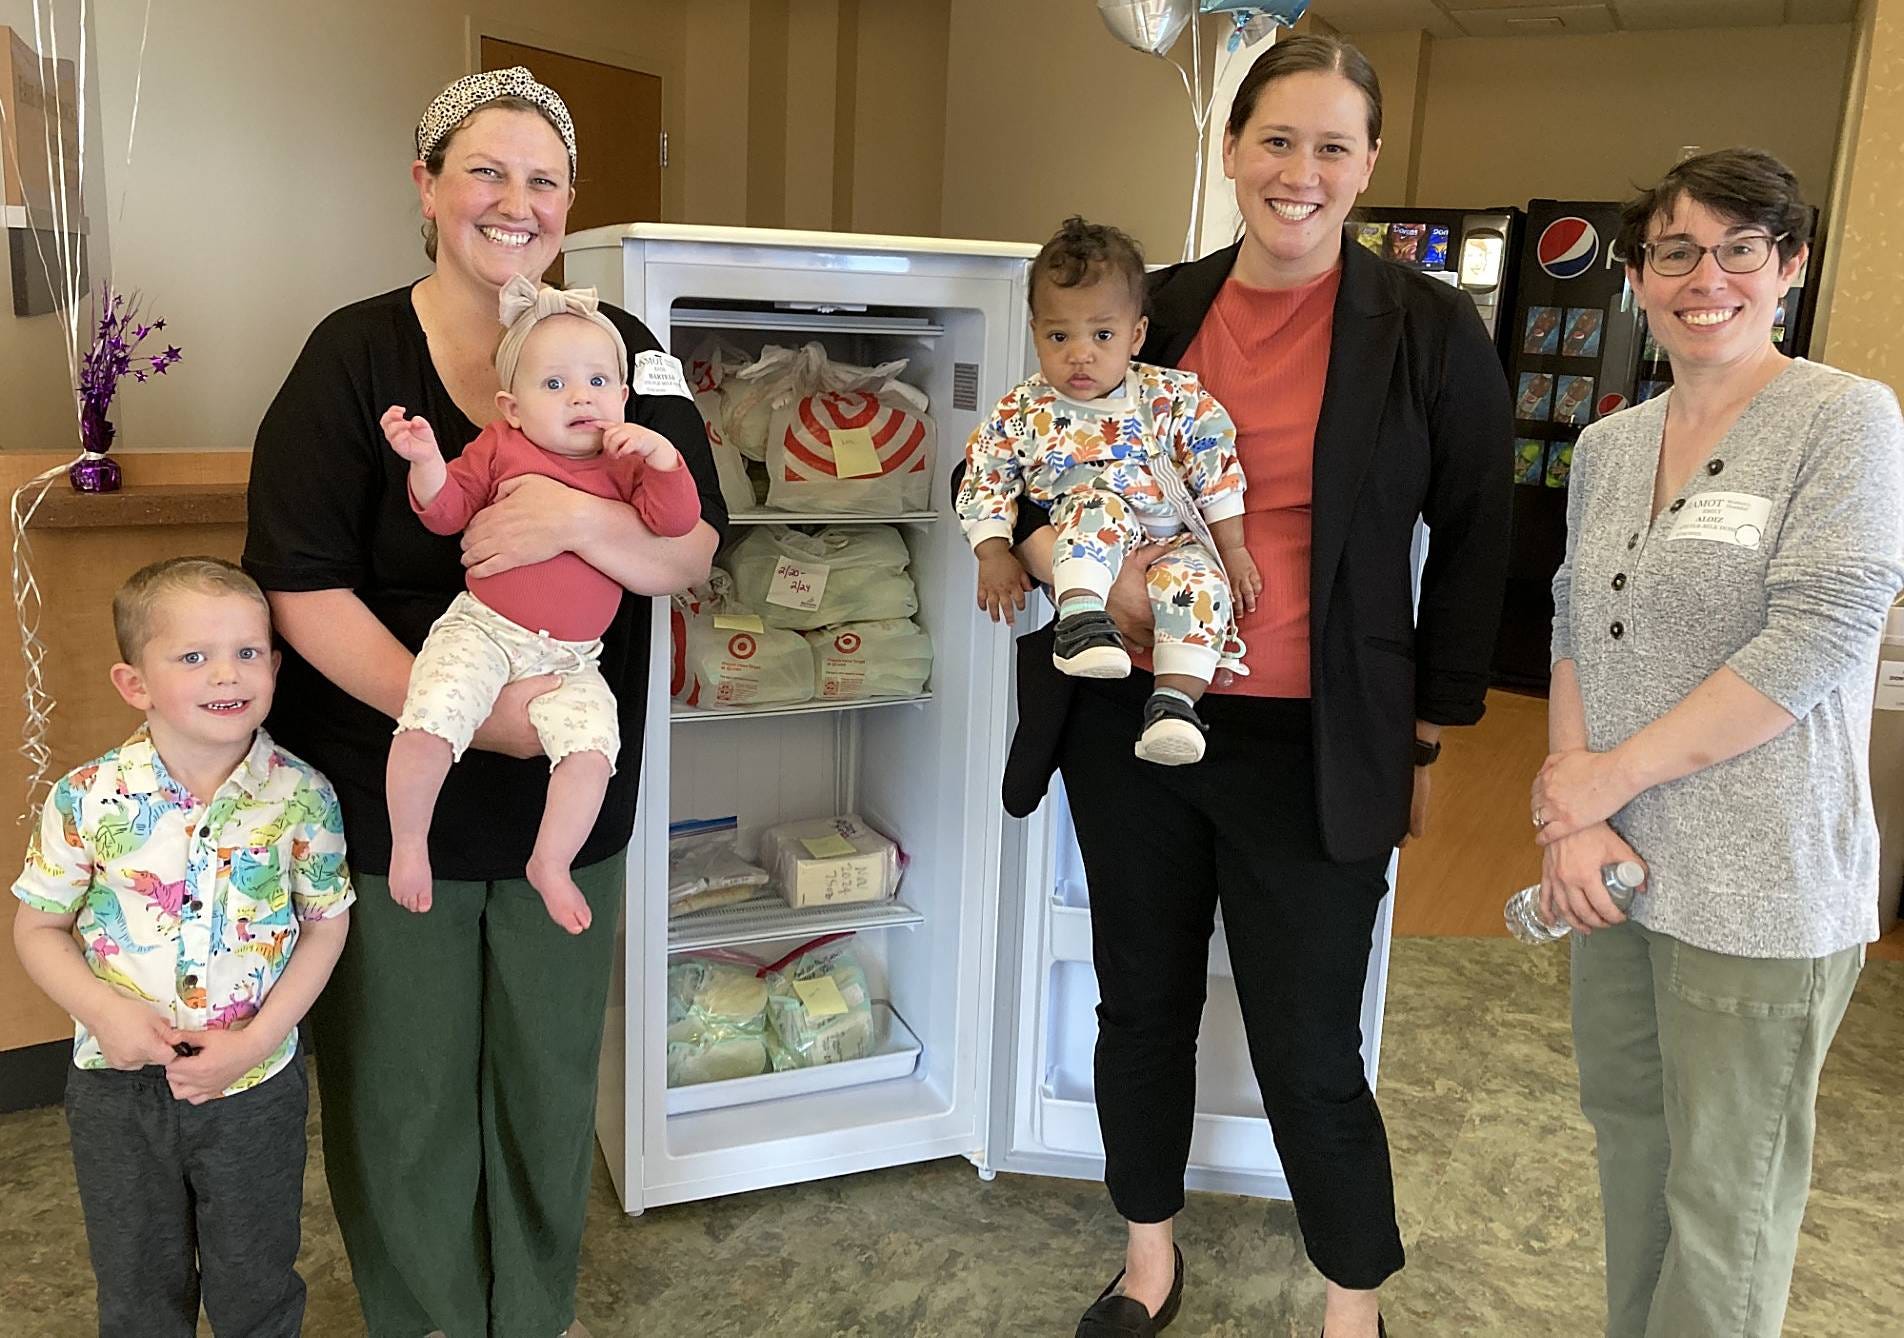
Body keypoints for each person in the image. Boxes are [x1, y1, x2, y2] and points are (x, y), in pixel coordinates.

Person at [987, 35, 1512, 1338]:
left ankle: (1350, 1299)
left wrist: (1429, 746)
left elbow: (1478, 538)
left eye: (1334, 145)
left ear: (1370, 164)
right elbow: (1033, 472)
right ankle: (1148, 1252)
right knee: (1142, 1002)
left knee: (1309, 1037)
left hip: (1317, 742)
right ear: (1231, 151)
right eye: (1277, 139)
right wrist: (1071, 568)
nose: (1301, 170)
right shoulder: (1156, 301)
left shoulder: (1429, 331)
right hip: (1135, 726)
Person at [243, 67, 724, 1338]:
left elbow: (690, 553)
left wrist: (572, 516)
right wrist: (455, 716)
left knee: (545, 1086)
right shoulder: (353, 357)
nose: (515, 203)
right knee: (403, 1101)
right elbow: (300, 582)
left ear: (572, 203)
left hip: (567, 798)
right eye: (485, 174)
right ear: (426, 188)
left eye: (544, 180)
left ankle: (532, 1318)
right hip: (391, 787)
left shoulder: (622, 348)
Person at [1534, 147, 1904, 1338]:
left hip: (1761, 884)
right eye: (1675, 251)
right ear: (1638, 274)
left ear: (1785, 265)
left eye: (1739, 247)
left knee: (1725, 1197)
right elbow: (1575, 629)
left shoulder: (1840, 418)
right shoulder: (1606, 445)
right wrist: (1577, 816)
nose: (1707, 276)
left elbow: (1820, 636)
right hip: (1622, 876)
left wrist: (1606, 779)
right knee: (1633, 1152)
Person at [11, 556, 353, 1338]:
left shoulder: (304, 795)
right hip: (118, 1092)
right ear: (135, 684)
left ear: (275, 664)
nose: (226, 674)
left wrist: (260, 1040)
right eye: (194, 656)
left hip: (253, 1090)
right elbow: (36, 926)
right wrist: (105, 1013)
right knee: (137, 1291)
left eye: (248, 651)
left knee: (257, 1287)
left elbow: (326, 923)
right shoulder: (88, 797)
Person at [381, 276, 699, 934]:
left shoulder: (627, 463)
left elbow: (676, 526)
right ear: (513, 407)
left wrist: (666, 460)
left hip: (573, 658)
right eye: (554, 385)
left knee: (593, 749)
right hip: (485, 632)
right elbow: (445, 514)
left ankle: (550, 863)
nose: (580, 395)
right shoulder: (501, 447)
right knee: (430, 717)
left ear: (624, 395)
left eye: (597, 382)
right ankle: (410, 841)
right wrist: (425, 463)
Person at [958, 216, 1260, 765]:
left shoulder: (1169, 396)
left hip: (1171, 539)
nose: (1080, 354)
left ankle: (1174, 706)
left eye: (1102, 335)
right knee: (1098, 506)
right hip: (1085, 529)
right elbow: (983, 474)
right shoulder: (1023, 410)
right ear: (1035, 333)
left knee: (1200, 585)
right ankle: (1082, 620)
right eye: (1059, 336)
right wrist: (993, 550)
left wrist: (1231, 548)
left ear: (1136, 335)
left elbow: (1215, 462)